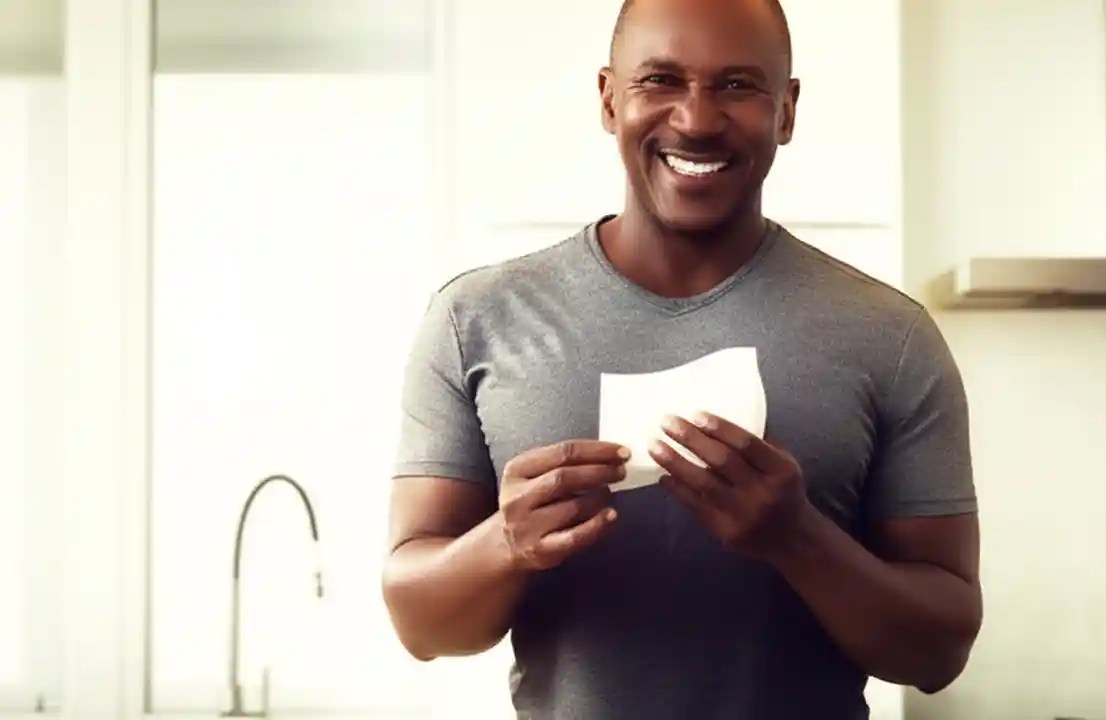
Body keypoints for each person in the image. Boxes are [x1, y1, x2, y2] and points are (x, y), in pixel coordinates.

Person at [381, 0, 982, 717]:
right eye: (660, 80)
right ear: (609, 98)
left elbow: (938, 655)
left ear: (787, 110)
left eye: (737, 86)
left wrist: (798, 539)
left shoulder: (891, 337)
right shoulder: (474, 321)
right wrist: (507, 544)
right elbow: (421, 627)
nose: (696, 119)